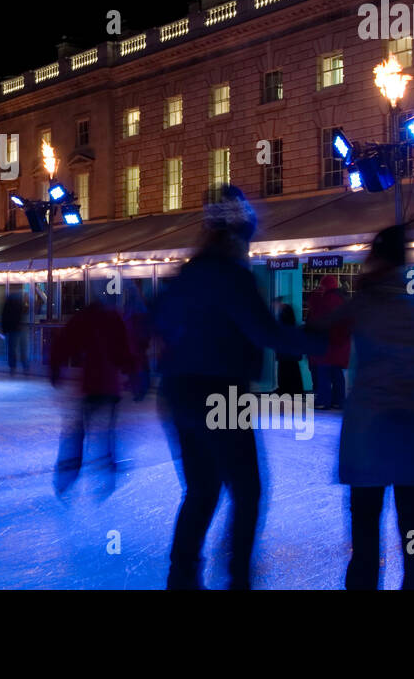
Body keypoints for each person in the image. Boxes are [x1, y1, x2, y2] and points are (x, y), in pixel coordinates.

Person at [150, 185, 325, 590]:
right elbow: (265, 332)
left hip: (178, 391)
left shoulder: (189, 272)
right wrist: (318, 341)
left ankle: (182, 576)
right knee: (247, 489)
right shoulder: (230, 275)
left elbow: (155, 320)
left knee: (202, 489)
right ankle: (238, 578)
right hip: (222, 392)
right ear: (238, 234)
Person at [337, 225, 414, 590]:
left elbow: (316, 331)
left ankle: (364, 584)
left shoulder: (365, 304)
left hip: (371, 433)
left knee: (366, 526)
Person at [50, 291, 144, 497]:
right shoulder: (113, 318)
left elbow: (64, 342)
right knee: (105, 430)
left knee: (78, 430)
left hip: (89, 386)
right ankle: (104, 469)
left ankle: (68, 473)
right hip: (108, 386)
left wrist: (55, 366)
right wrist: (135, 375)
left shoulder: (85, 317)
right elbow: (126, 351)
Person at [306, 275, 350, 409]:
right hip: (341, 343)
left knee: (323, 373)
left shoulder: (324, 299)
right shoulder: (343, 298)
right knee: (337, 374)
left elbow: (316, 315)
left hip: (326, 343)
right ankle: (339, 401)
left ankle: (324, 400)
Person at [273, 298, 305, 395]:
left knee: (285, 370)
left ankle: (286, 389)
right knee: (292, 370)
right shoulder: (292, 326)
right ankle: (293, 390)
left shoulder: (283, 324)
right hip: (290, 354)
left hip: (285, 353)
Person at [1, 291, 30, 374]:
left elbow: (4, 317)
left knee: (12, 349)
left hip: (13, 330)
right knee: (23, 349)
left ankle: (13, 367)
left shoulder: (9, 304)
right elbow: (25, 311)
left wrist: (5, 330)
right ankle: (25, 367)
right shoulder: (21, 304)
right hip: (21, 329)